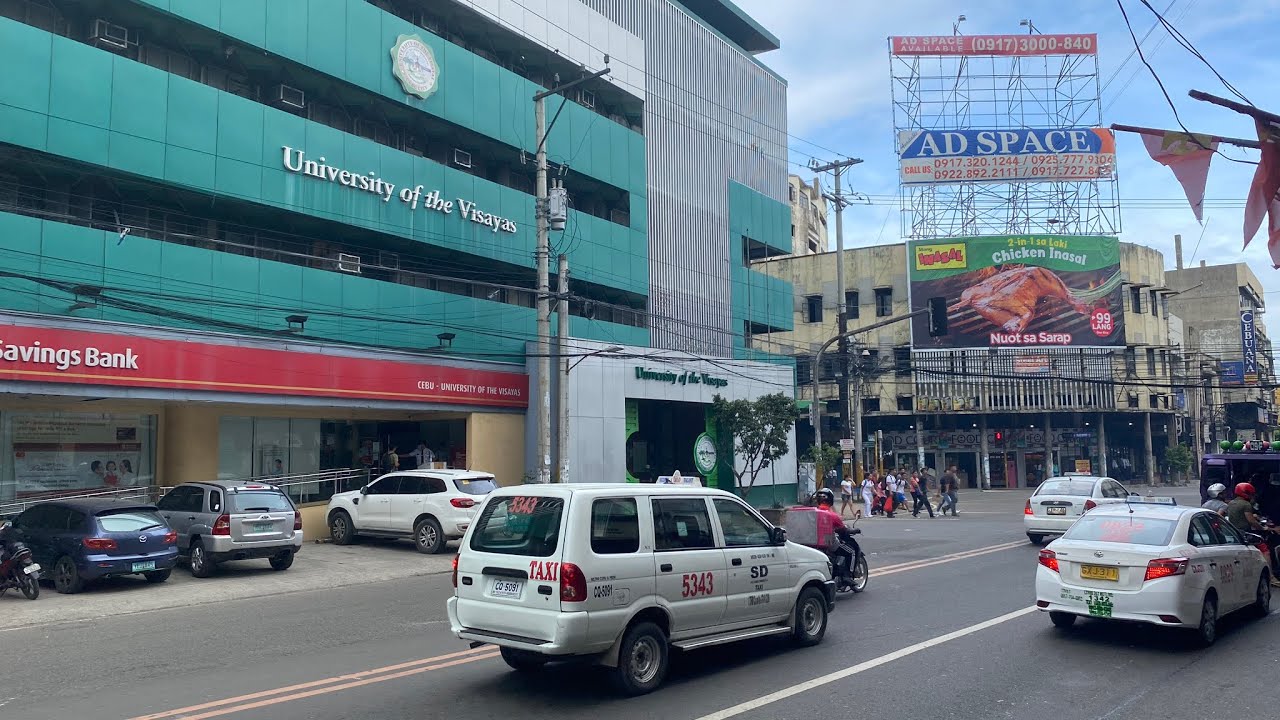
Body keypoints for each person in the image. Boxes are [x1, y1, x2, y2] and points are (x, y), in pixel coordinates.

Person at [813, 488, 856, 589]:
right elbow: (842, 529)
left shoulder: (812, 513)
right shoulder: (832, 515)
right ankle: (847, 576)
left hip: (811, 543)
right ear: (831, 500)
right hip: (828, 543)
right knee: (851, 552)